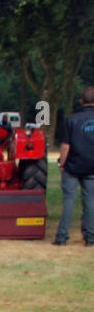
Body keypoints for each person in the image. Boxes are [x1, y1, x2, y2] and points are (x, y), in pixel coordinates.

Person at [54, 86, 94, 246]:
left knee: (69, 201)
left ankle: (62, 237)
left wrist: (61, 163)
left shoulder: (71, 120)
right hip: (92, 167)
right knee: (90, 201)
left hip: (73, 167)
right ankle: (90, 238)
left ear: (81, 101)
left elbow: (65, 147)